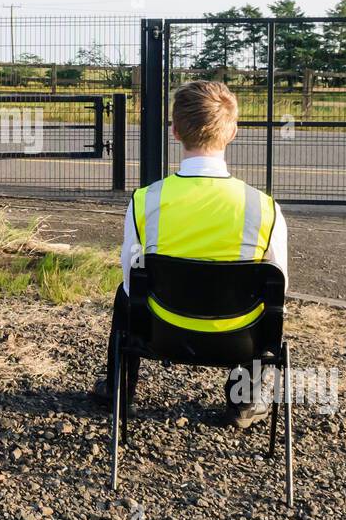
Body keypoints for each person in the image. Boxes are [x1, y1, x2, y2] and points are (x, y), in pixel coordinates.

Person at [97, 80, 288, 427]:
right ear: (232, 132)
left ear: (174, 131)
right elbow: (279, 288)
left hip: (162, 333)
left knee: (125, 294)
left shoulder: (145, 201)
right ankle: (244, 400)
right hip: (238, 340)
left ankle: (119, 388)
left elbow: (129, 278)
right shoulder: (264, 209)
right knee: (265, 300)